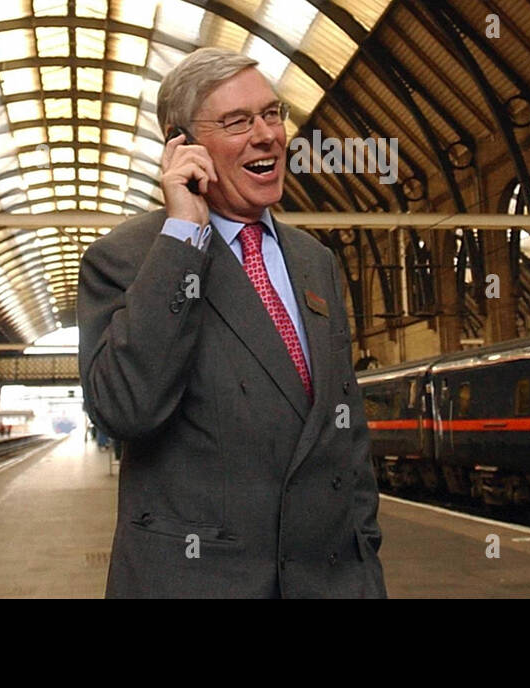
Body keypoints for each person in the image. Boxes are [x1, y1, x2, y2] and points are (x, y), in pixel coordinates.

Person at [78, 49, 385, 598]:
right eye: (238, 122)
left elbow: (345, 430)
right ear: (182, 145)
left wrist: (364, 558)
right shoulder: (126, 259)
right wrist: (183, 235)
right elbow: (126, 408)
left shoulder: (316, 261)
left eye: (273, 114)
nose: (267, 135)